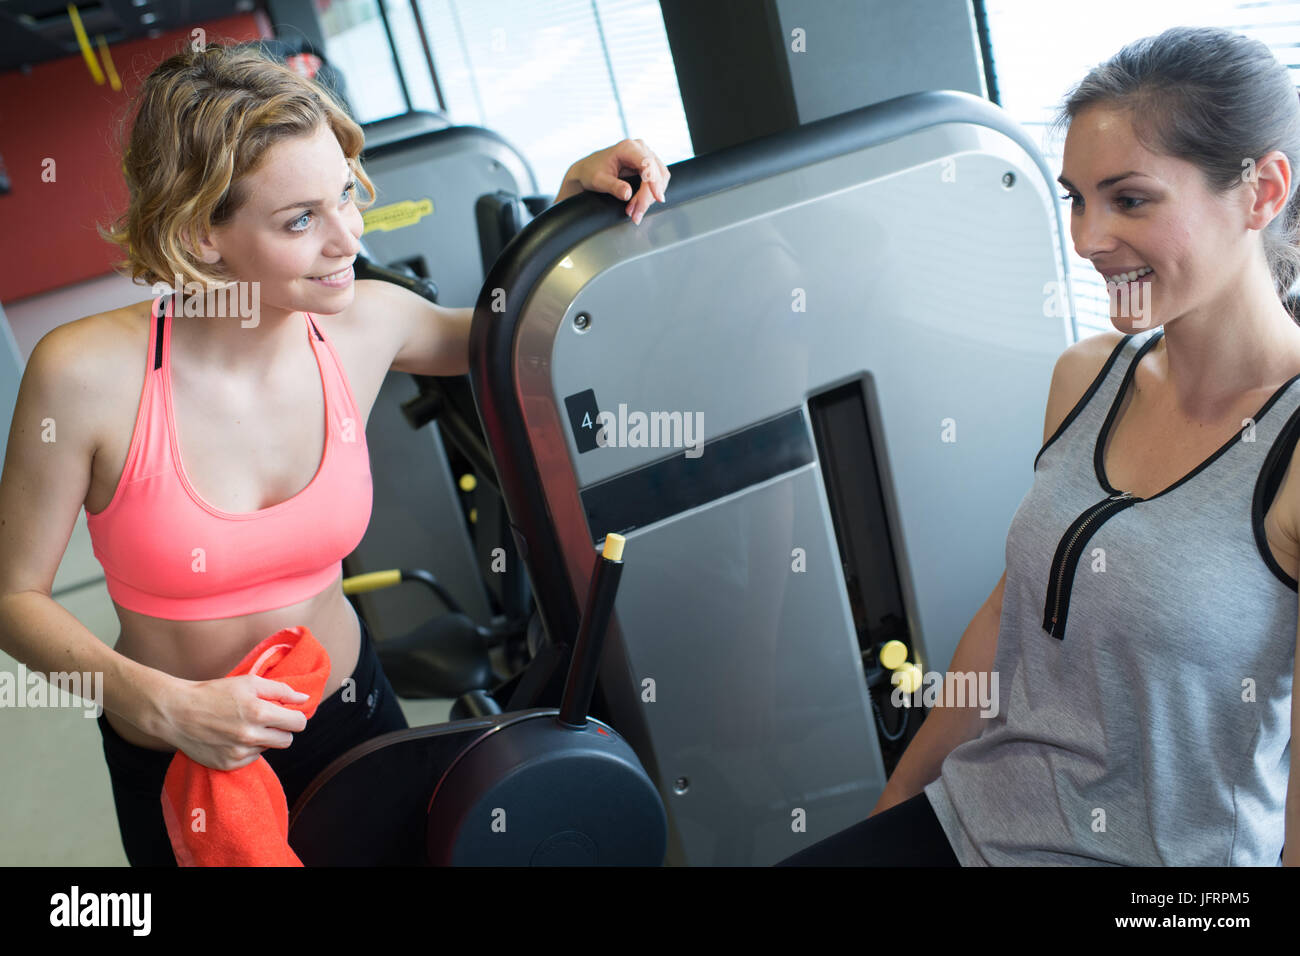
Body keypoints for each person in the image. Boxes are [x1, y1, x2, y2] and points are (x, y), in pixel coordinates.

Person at [0, 40, 669, 866]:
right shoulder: (82, 376)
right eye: (299, 220)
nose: (347, 237)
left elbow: (511, 328)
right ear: (200, 236)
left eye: (344, 195)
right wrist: (160, 706)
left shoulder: (364, 324)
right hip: (176, 741)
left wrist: (566, 213)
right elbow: (13, 597)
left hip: (351, 715)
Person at [780, 24, 1300, 867]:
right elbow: (1005, 613)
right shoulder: (1086, 377)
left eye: (1129, 199)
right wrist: (900, 803)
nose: (1088, 239)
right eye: (1075, 198)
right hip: (978, 817)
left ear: (1261, 191)